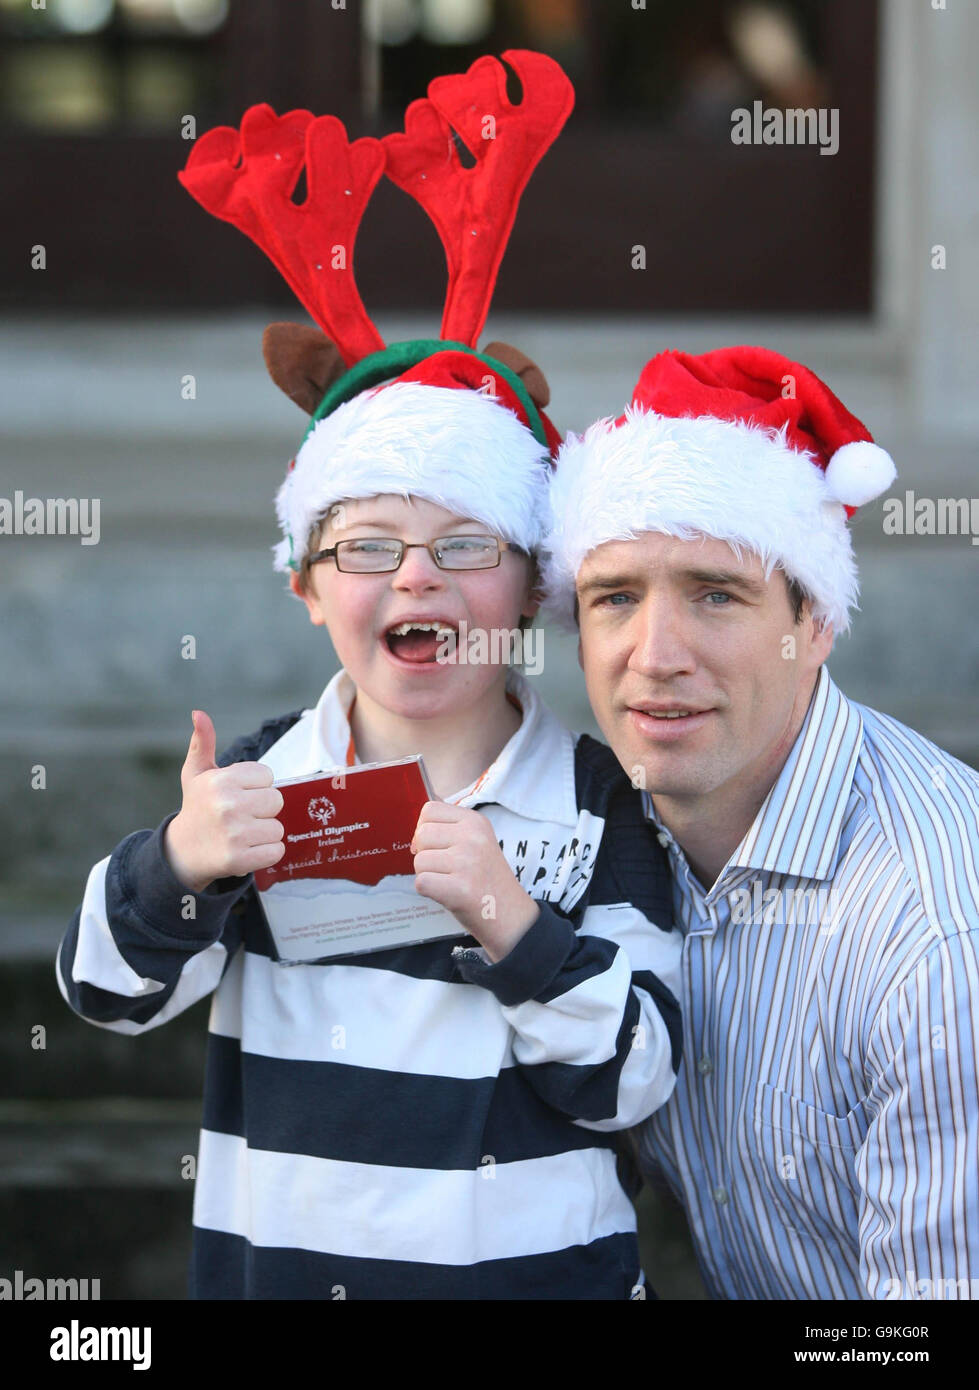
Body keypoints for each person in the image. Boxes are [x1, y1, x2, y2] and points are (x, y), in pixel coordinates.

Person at [55, 53, 682, 1300]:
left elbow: (637, 1078)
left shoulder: (601, 805)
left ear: (530, 581)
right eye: (370, 550)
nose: (417, 581)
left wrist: (511, 923)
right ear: (305, 583)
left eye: (465, 547)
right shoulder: (258, 792)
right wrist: (176, 865)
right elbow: (105, 995)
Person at [543, 344, 979, 1299]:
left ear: (815, 619)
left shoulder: (937, 940)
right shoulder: (584, 844)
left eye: (714, 593)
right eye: (615, 597)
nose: (654, 656)